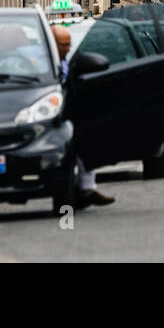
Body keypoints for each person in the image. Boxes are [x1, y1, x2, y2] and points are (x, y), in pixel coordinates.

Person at [54, 24, 114, 207]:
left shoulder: (69, 60)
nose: (67, 48)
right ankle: (76, 189)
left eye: (68, 44)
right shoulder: (45, 63)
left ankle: (86, 188)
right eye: (63, 44)